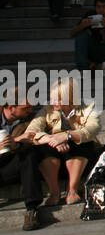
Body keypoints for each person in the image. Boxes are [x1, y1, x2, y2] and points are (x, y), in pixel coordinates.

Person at [28, 77, 100, 206]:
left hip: (83, 157)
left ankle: (72, 190)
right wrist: (51, 139)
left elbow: (92, 129)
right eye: (52, 97)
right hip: (56, 156)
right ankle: (54, 192)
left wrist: (67, 136)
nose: (53, 101)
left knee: (84, 143)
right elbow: (32, 130)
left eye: (58, 99)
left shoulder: (89, 107)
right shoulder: (48, 109)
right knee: (42, 148)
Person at [0, 90, 48, 230]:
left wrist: (17, 144)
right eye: (25, 107)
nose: (30, 109)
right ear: (10, 107)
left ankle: (32, 210)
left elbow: (34, 139)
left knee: (29, 155)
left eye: (30, 106)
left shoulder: (30, 120)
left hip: (13, 166)